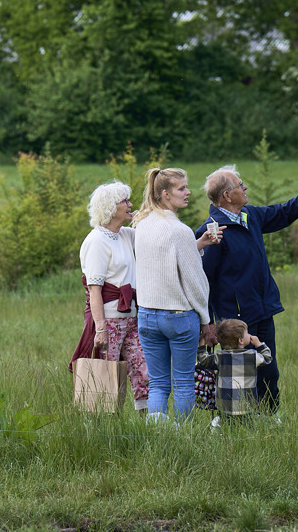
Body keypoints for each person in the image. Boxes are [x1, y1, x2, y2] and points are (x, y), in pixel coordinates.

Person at [197, 166, 298, 414]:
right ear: (227, 196)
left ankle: (270, 416)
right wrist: (208, 322)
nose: (245, 187)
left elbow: (281, 213)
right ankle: (235, 421)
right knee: (238, 373)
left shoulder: (250, 215)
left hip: (263, 309)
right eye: (240, 185)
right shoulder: (212, 231)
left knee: (268, 369)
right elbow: (203, 280)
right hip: (235, 319)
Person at [133, 168, 222, 423]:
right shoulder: (179, 230)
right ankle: (183, 436)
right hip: (179, 317)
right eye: (182, 188)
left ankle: (159, 434)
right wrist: (205, 318)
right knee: (183, 381)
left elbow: (163, 261)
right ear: (165, 194)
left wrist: (197, 245)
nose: (188, 192)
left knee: (159, 383)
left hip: (148, 315)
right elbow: (195, 282)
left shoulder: (142, 225)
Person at [69, 181, 150, 412]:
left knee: (143, 370)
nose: (130, 205)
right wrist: (101, 328)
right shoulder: (96, 241)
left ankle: (149, 421)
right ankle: (101, 425)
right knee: (106, 372)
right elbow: (94, 289)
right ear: (110, 207)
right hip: (110, 318)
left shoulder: (125, 234)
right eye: (125, 201)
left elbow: (153, 241)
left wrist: (200, 243)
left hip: (133, 315)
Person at [196, 319, 273, 425]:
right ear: (241, 340)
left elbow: (204, 361)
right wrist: (259, 345)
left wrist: (201, 347)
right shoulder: (252, 356)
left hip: (224, 407)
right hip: (247, 407)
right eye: (247, 333)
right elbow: (267, 358)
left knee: (226, 426)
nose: (249, 335)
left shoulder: (220, 356)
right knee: (247, 427)